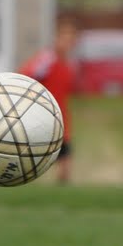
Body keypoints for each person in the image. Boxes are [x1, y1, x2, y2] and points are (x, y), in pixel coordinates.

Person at [20, 17, 79, 184]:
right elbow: (25, 78)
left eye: (71, 40)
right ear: (57, 39)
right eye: (64, 39)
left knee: (65, 165)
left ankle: (61, 196)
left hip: (61, 121)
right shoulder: (47, 60)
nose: (67, 43)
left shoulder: (69, 64)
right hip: (40, 119)